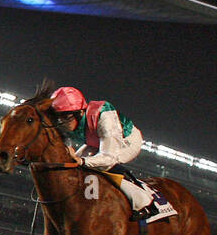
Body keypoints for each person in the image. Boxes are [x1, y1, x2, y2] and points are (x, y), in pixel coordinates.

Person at [50, 86, 157, 220]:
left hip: (126, 141)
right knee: (74, 165)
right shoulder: (71, 119)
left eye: (65, 117)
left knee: (101, 167)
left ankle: (144, 202)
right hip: (95, 141)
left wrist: (83, 161)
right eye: (57, 117)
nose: (60, 122)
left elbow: (109, 157)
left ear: (79, 113)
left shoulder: (104, 115)